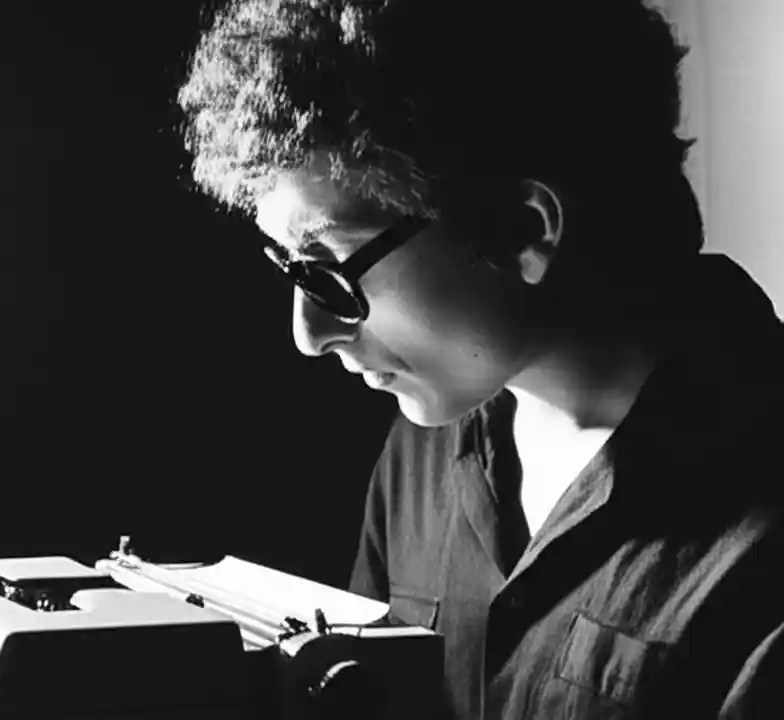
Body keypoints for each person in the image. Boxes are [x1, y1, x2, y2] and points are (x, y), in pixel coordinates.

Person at [175, 0, 784, 718]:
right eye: (290, 269)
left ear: (523, 229)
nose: (310, 333)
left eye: (328, 270)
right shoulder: (420, 456)